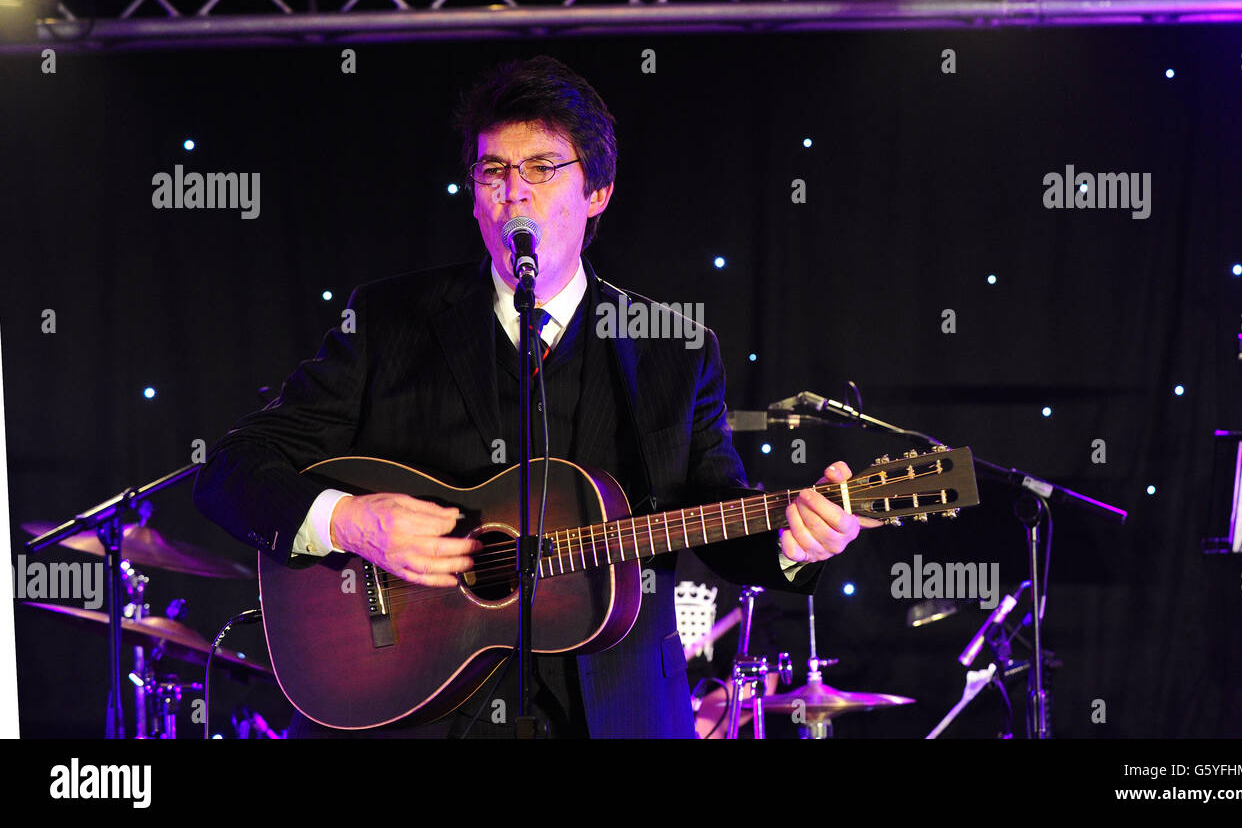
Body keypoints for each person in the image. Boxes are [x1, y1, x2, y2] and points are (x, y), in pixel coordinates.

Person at [193, 55, 878, 738]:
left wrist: (798, 539)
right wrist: (349, 522)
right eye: (494, 169)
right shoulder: (386, 321)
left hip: (617, 715)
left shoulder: (675, 347)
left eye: (543, 167)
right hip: (410, 717)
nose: (513, 191)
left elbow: (713, 513)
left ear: (598, 190)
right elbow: (231, 469)